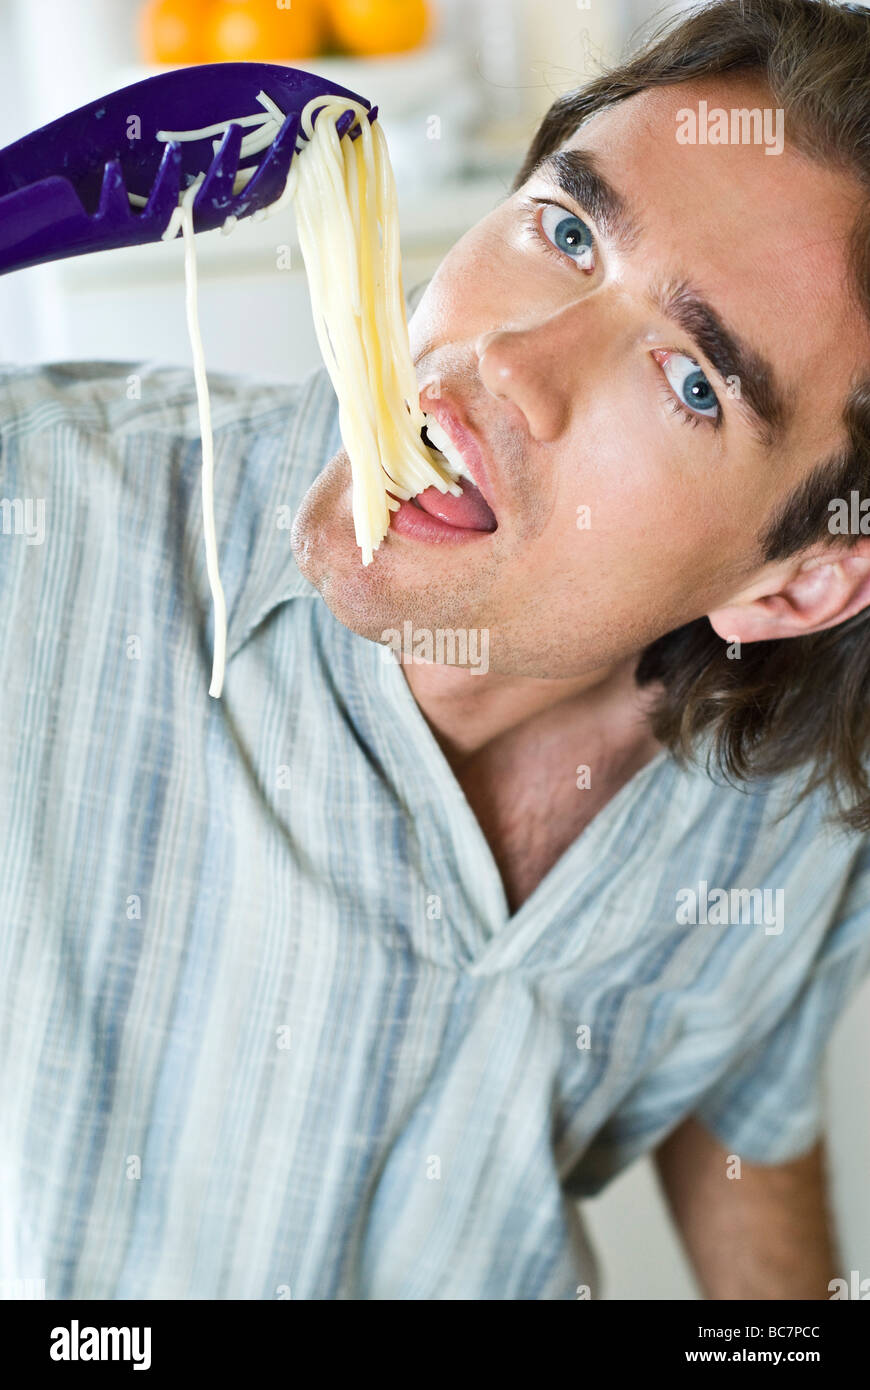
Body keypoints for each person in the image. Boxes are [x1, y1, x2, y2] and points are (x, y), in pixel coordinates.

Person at [1, 0, 869, 1300]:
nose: (510, 360)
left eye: (691, 379)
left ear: (800, 586)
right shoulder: (44, 527)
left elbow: (738, 1100)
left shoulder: (791, 822)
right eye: (564, 229)